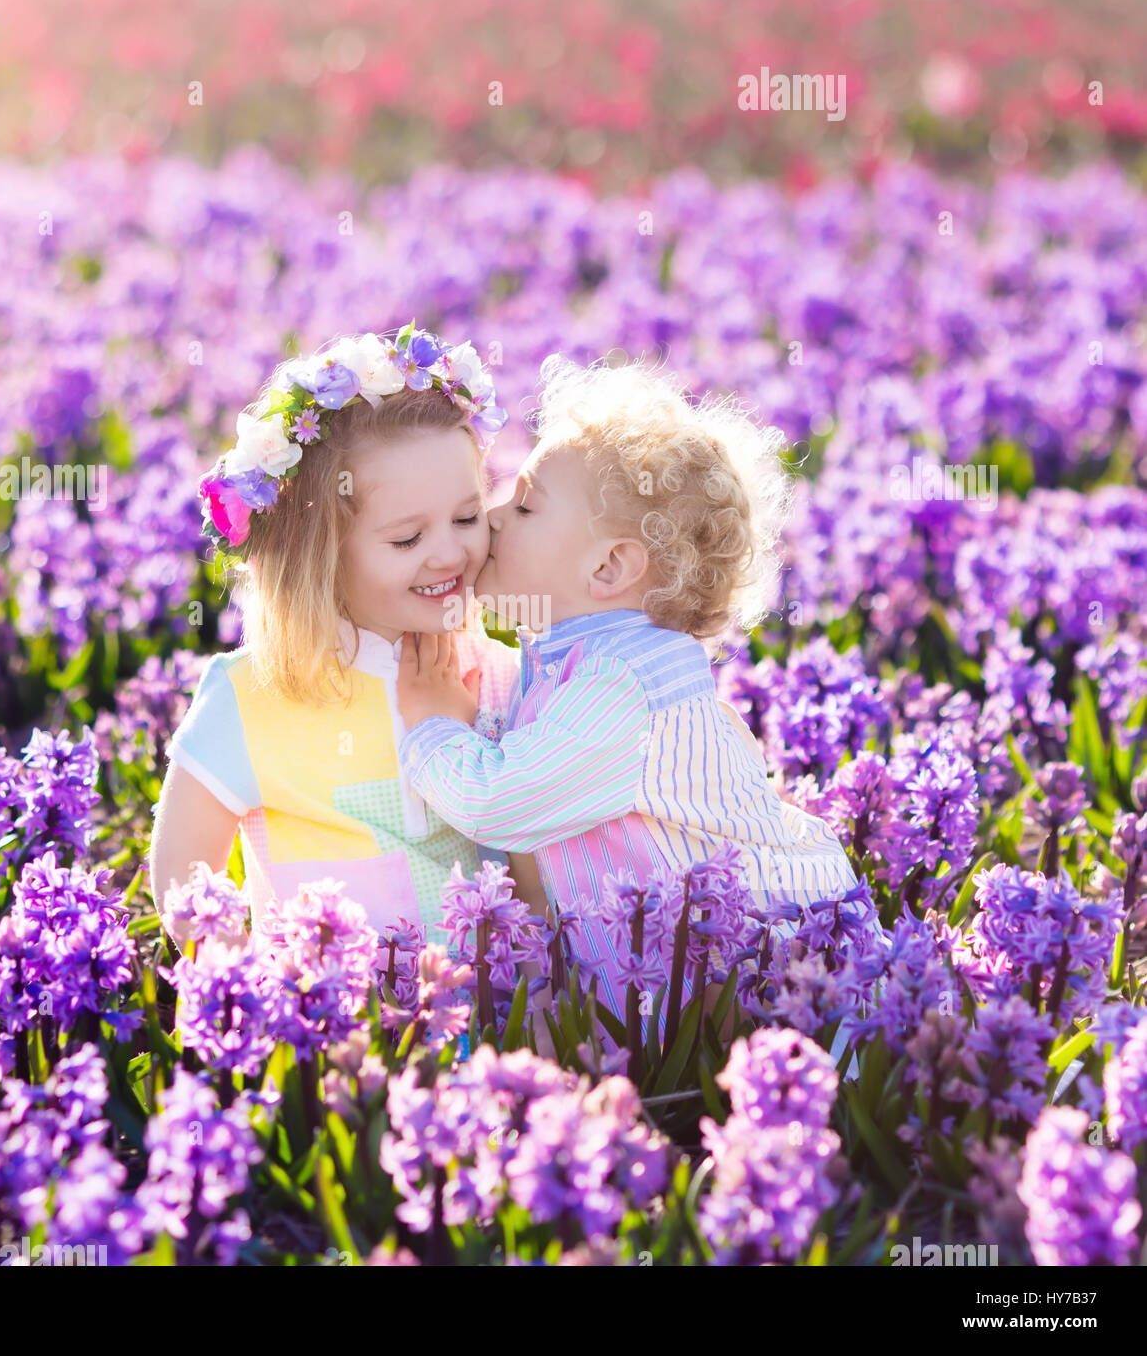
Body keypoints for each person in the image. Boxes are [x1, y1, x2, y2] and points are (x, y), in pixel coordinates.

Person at [395, 351, 866, 1067]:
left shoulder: (622, 686)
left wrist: (432, 724)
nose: (489, 517)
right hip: (660, 993)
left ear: (607, 569)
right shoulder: (573, 658)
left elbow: (501, 803)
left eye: (524, 506)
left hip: (772, 995)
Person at [149, 324, 521, 956]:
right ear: (318, 555)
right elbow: (185, 876)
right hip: (324, 1032)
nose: (450, 553)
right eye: (407, 539)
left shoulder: (499, 674)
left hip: (487, 1029)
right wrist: (249, 993)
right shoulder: (251, 697)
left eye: (465, 518)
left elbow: (538, 858)